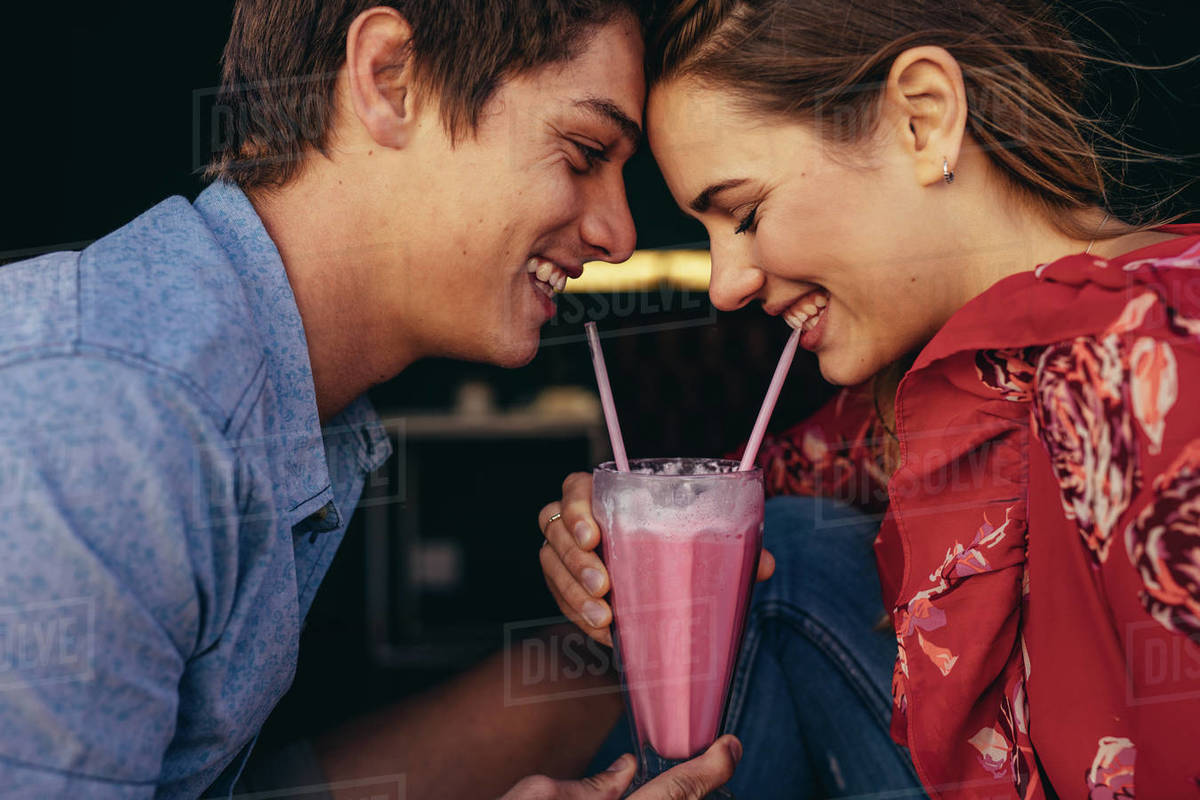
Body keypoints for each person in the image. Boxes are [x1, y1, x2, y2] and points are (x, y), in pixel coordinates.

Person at [0, 2, 744, 798]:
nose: (621, 234)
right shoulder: (111, 421)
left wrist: (621, 638)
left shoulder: (269, 393)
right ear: (390, 78)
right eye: (584, 151)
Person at [539, 0, 1200, 797]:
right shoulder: (963, 372)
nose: (723, 285)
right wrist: (636, 519)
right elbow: (770, 481)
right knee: (779, 550)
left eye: (744, 213)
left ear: (923, 119)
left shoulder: (1154, 365)